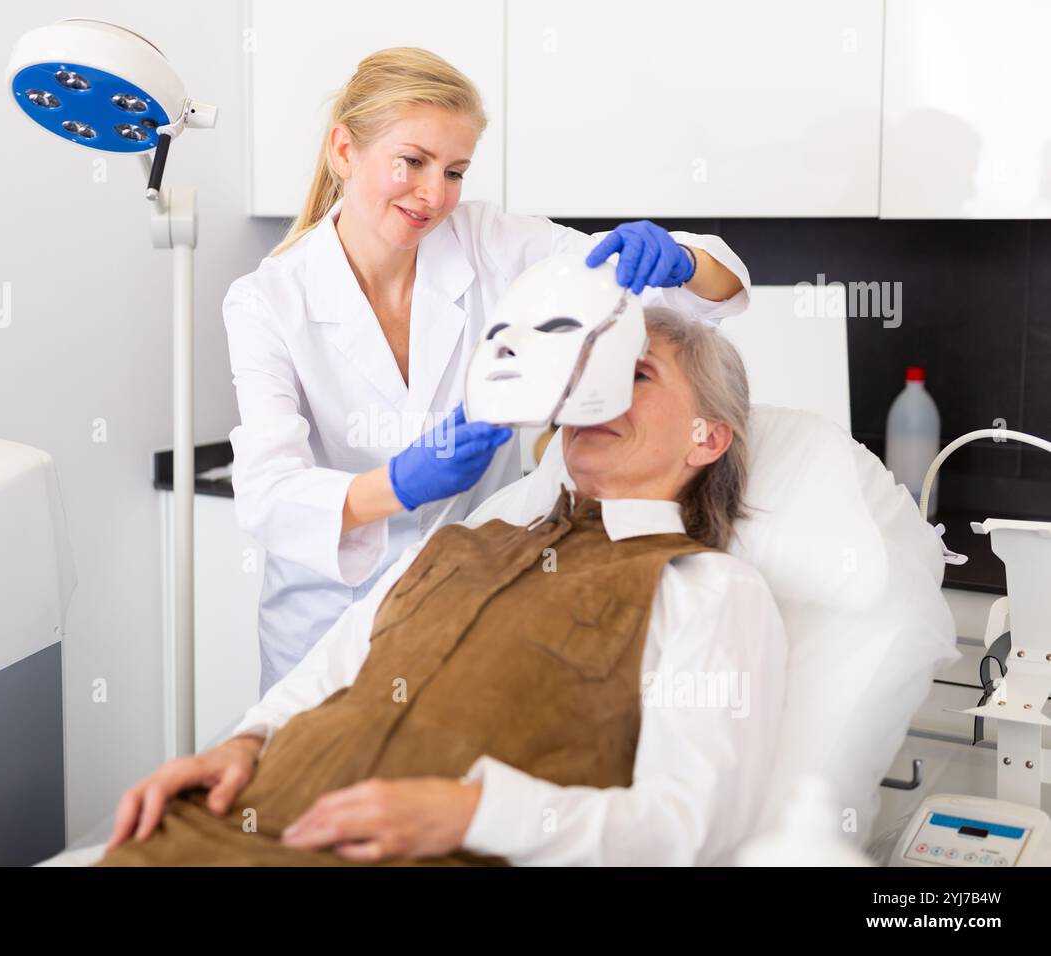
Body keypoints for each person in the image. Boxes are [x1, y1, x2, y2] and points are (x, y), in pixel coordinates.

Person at [98, 308, 786, 866]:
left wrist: (473, 812)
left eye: (636, 374)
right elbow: (327, 672)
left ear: (707, 439)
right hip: (223, 825)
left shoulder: (708, 590)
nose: (595, 393)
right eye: (589, 374)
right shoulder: (458, 543)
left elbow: (693, 825)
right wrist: (240, 746)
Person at [224, 47, 753, 690]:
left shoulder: (488, 241)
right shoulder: (266, 300)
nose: (434, 194)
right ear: (344, 150)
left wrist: (682, 260)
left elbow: (687, 298)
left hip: (467, 603)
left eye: (454, 172)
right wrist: (400, 485)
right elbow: (267, 494)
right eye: (413, 162)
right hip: (324, 625)